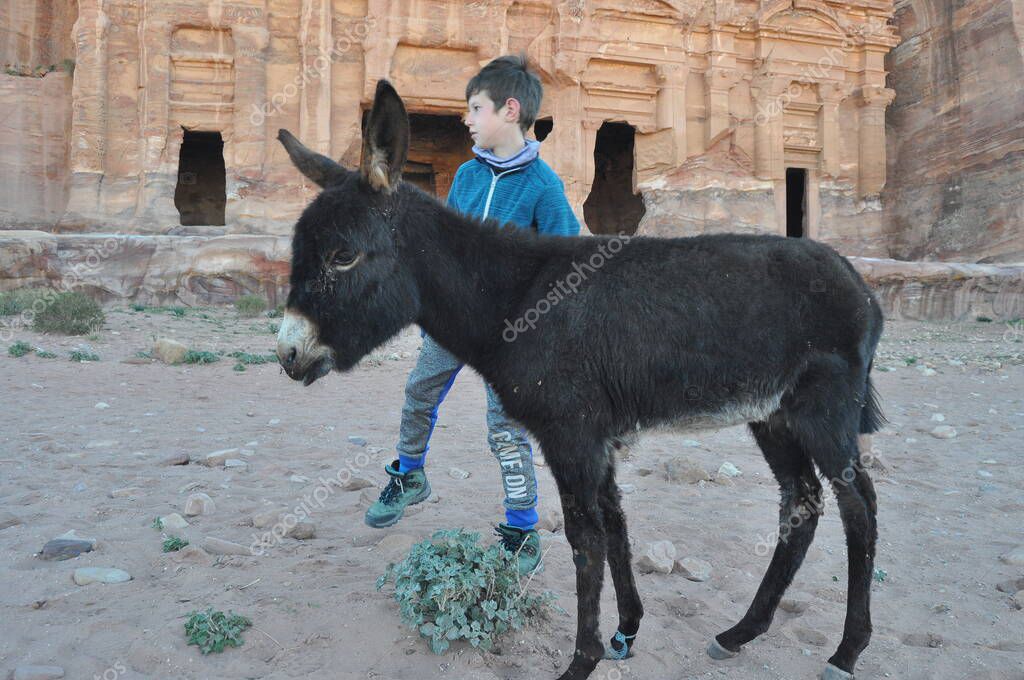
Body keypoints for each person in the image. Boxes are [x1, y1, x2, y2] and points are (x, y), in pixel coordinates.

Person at [364, 54, 581, 575]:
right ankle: (409, 475)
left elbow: (567, 260)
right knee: (419, 390)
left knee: (504, 429)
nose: (466, 119)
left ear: (510, 111)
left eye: (475, 108)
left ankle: (522, 530)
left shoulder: (544, 188)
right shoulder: (465, 175)